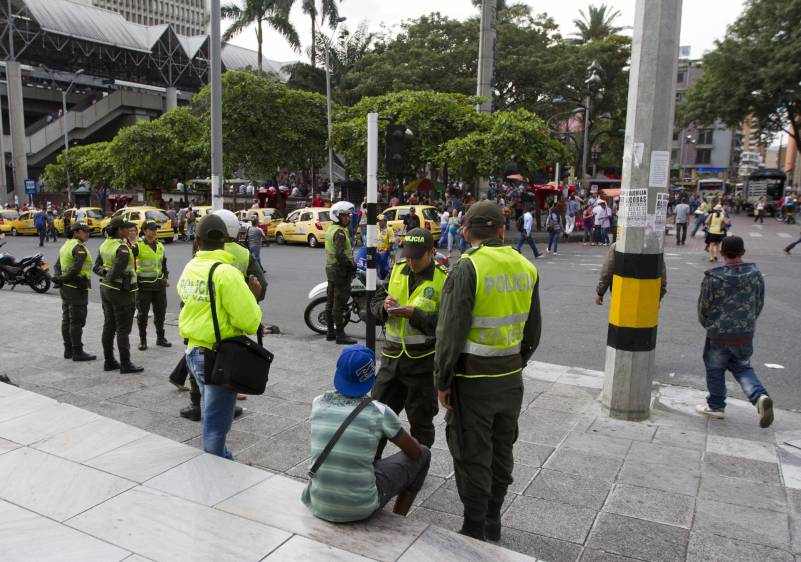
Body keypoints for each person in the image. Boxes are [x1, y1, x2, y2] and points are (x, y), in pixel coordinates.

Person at [434, 201, 541, 541]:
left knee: (472, 452)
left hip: (473, 380)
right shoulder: (526, 266)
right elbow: (533, 331)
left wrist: (442, 379)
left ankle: (474, 525)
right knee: (502, 448)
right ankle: (494, 518)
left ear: (465, 232)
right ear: (500, 230)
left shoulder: (468, 268)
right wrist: (515, 363)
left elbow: (450, 331)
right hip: (510, 378)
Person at [301, 344, 431, 522]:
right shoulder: (379, 412)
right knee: (424, 453)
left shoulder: (318, 402)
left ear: (338, 374)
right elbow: (414, 452)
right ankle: (399, 520)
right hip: (360, 507)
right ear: (371, 377)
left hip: (317, 501)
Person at [177, 214, 263, 458]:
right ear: (226, 240)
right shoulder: (227, 273)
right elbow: (249, 321)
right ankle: (216, 474)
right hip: (219, 357)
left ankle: (224, 463)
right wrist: (253, 296)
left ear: (197, 240)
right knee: (216, 428)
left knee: (211, 411)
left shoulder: (190, 267)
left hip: (194, 353)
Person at [369, 228, 446, 459]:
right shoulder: (398, 270)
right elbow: (375, 301)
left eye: (417, 256)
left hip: (422, 365)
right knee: (377, 415)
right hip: (391, 361)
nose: (411, 261)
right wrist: (383, 306)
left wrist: (415, 315)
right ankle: (371, 463)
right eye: (408, 255)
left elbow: (446, 322)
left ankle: (416, 467)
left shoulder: (444, 278)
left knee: (421, 421)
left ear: (432, 252)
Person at [696, 236, 773, 428]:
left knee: (715, 367)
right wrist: (747, 323)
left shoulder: (713, 278)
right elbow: (759, 303)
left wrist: (709, 325)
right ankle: (759, 396)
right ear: (743, 253)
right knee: (742, 366)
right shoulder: (755, 276)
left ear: (722, 253)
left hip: (718, 332)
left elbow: (703, 307)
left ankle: (716, 406)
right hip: (744, 332)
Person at [94, 217, 144, 374]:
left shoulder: (104, 244)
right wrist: (111, 275)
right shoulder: (122, 248)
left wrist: (105, 273)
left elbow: (96, 267)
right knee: (123, 329)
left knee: (109, 326)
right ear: (119, 230)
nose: (128, 230)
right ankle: (125, 363)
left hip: (106, 290)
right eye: (125, 228)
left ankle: (109, 361)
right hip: (121, 292)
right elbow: (116, 272)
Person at [53, 222, 96, 362]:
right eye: (85, 231)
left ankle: (68, 350)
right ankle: (78, 351)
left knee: (67, 318)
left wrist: (60, 279)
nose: (88, 233)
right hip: (77, 288)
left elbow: (57, 265)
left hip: (66, 287)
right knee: (77, 320)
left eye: (88, 231)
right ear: (76, 232)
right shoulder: (78, 248)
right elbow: (76, 269)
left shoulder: (66, 245)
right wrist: (63, 278)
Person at [135, 221, 171, 351]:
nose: (154, 231)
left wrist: (166, 278)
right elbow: (132, 265)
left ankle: (160, 338)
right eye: (151, 229)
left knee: (160, 313)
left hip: (159, 285)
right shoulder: (137, 246)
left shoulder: (160, 246)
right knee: (142, 314)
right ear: (144, 231)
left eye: (155, 229)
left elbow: (163, 265)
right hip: (144, 286)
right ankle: (143, 340)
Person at [325, 201, 357, 344]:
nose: (348, 218)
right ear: (337, 216)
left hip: (331, 268)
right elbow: (339, 253)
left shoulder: (331, 229)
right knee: (338, 303)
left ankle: (330, 332)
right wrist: (351, 265)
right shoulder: (339, 233)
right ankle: (340, 335)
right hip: (340, 271)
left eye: (349, 216)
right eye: (345, 216)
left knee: (330, 301)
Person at [595, 243, 667, 305]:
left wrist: (600, 292)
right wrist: (659, 297)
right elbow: (662, 274)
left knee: (621, 319)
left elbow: (607, 270)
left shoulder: (619, 246)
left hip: (622, 295)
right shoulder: (654, 248)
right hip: (647, 297)